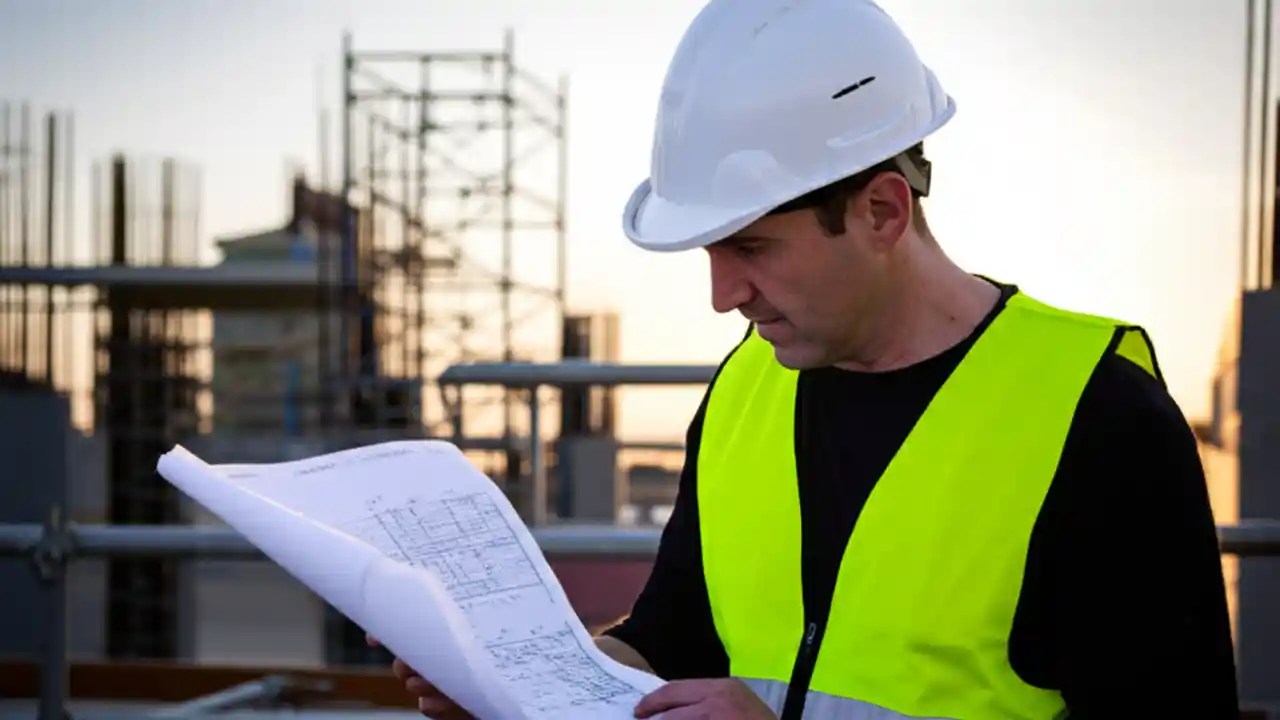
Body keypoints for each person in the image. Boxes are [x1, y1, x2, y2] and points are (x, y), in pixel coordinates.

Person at [382, 0, 1240, 717]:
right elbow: (676, 634)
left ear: (881, 212)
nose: (723, 295)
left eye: (752, 247)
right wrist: (521, 691)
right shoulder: (745, 391)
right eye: (709, 252)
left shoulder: (1102, 422)